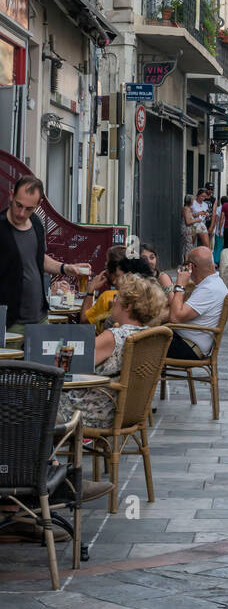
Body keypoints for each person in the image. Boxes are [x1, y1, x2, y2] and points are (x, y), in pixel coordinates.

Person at [59, 270, 167, 428]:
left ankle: (37, 451)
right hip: (123, 412)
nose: (113, 301)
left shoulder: (113, 337)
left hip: (89, 412)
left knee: (28, 399)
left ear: (128, 306)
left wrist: (59, 349)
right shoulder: (148, 336)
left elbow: (68, 366)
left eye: (117, 296)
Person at [0, 175, 92, 328]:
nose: (21, 213)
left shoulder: (36, 223)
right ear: (11, 195)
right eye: (18, 205)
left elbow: (37, 259)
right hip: (10, 321)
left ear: (39, 204)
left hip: (40, 317)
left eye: (29, 209)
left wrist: (65, 268)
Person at [166, 245, 228, 360]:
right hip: (187, 340)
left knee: (140, 342)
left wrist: (180, 285)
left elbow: (175, 318)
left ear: (192, 266)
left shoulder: (209, 290)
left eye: (186, 265)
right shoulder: (214, 283)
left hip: (188, 346)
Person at [79, 245, 128, 331]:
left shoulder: (107, 297)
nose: (105, 271)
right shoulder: (143, 296)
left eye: (106, 267)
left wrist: (91, 289)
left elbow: (84, 322)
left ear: (114, 272)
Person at [180, 194, 196, 260]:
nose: (193, 201)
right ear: (190, 201)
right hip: (187, 229)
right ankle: (187, 263)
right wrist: (197, 220)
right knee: (188, 247)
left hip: (186, 229)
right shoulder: (187, 209)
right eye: (192, 199)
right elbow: (188, 222)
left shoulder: (185, 208)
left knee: (185, 246)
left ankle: (185, 262)